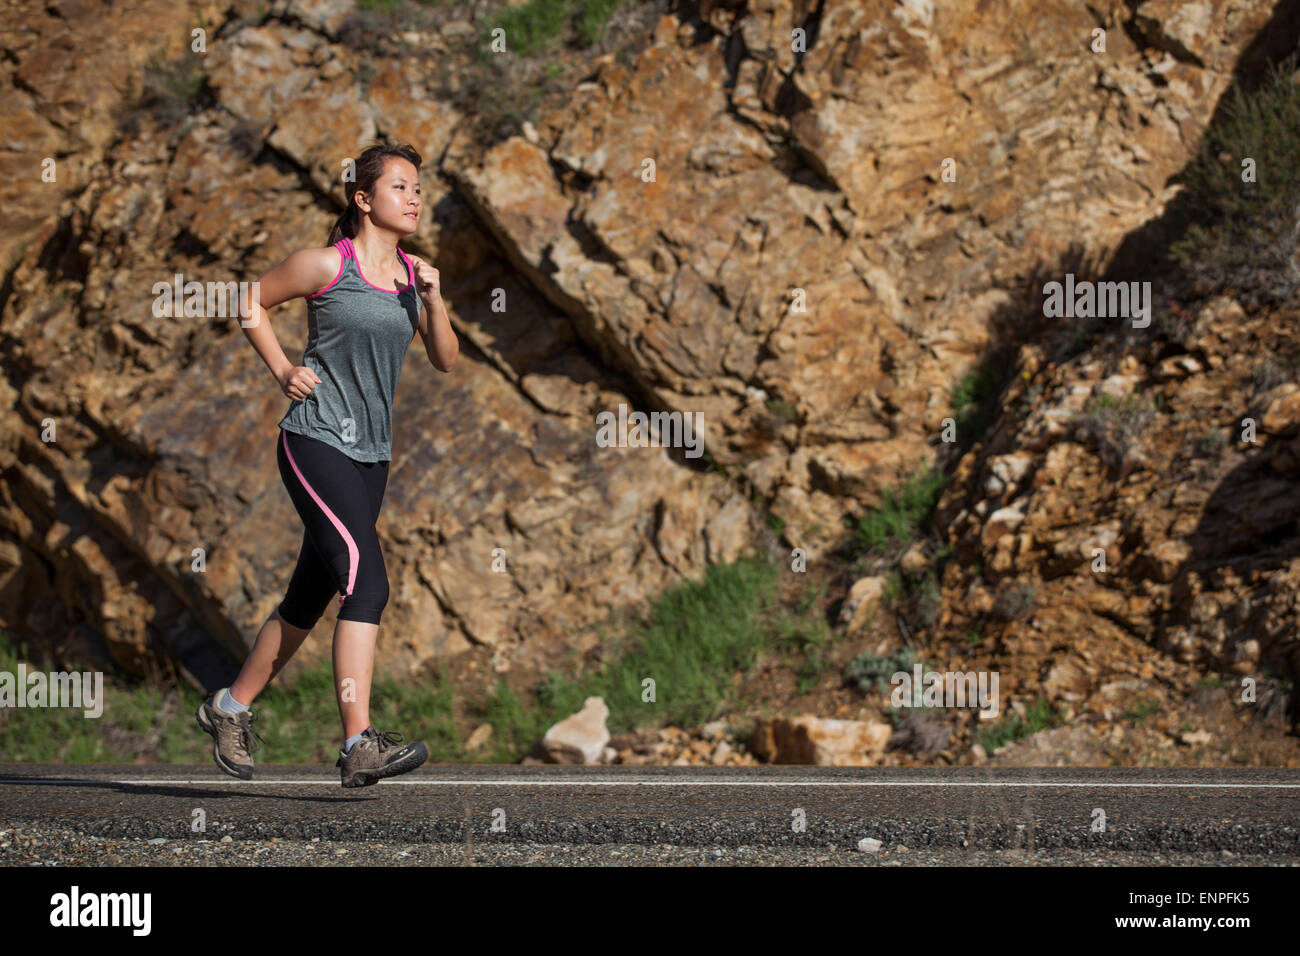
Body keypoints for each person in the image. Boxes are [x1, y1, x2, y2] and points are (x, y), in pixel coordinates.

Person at [195, 142, 458, 787]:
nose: (415, 198)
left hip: (372, 457)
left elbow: (446, 359)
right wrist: (283, 368)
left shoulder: (409, 279)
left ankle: (229, 707)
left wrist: (435, 299)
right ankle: (358, 745)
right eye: (401, 187)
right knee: (366, 583)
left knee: (308, 598)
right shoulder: (324, 265)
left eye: (418, 188)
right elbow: (247, 302)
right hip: (315, 442)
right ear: (364, 200)